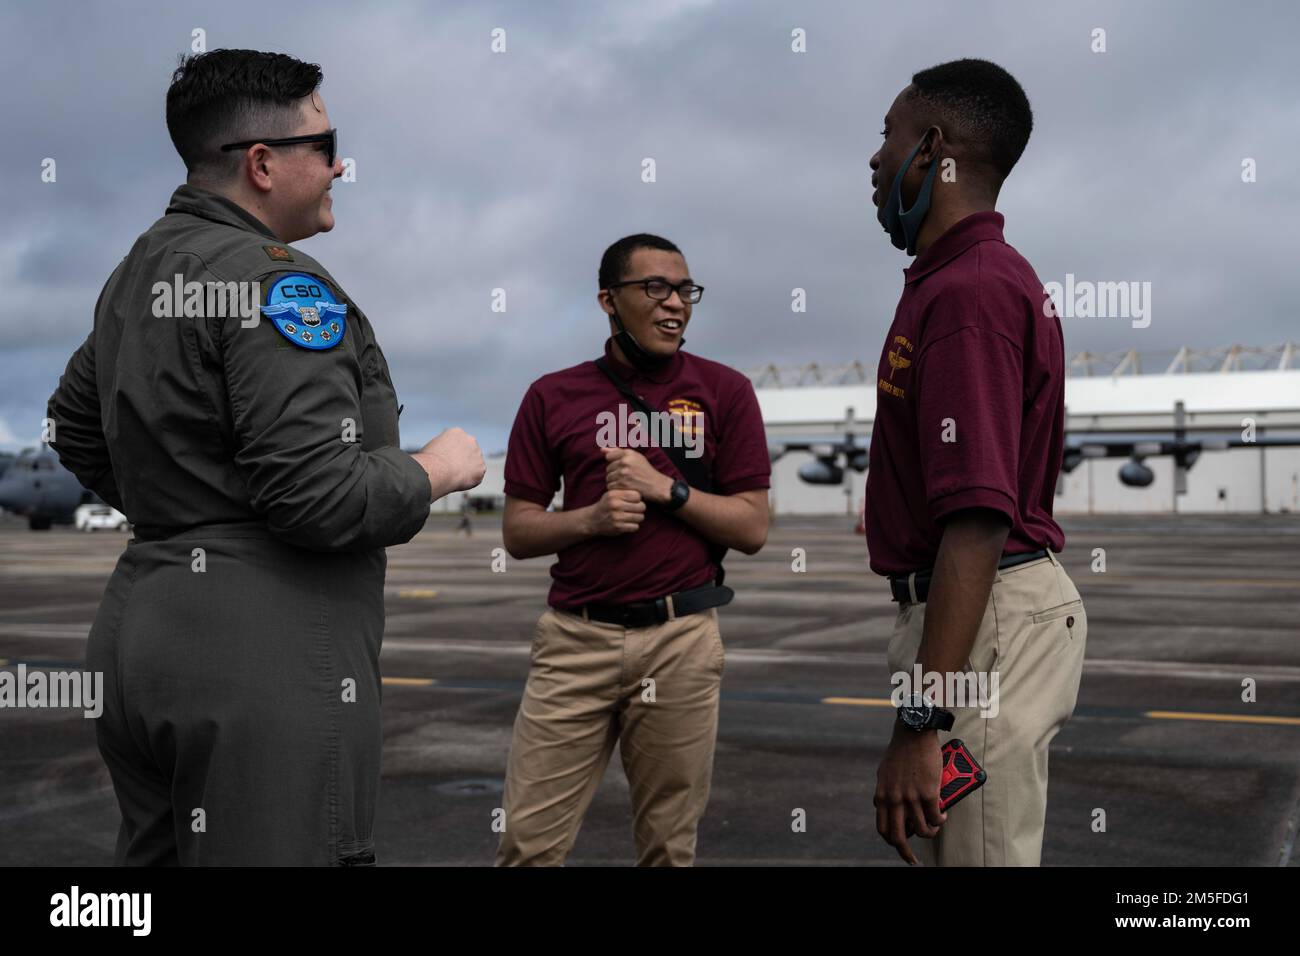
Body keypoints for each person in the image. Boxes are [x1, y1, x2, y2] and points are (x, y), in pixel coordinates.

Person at [45, 49, 484, 865]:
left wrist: (187, 506)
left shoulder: (139, 271)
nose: (340, 166)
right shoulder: (279, 283)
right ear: (261, 164)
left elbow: (71, 424)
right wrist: (437, 470)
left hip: (141, 632)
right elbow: (321, 497)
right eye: (326, 146)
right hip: (263, 653)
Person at [865, 59, 1086, 866]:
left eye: (888, 135)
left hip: (983, 628)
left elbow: (977, 520)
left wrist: (922, 720)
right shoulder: (953, 281)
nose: (875, 158)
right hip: (968, 627)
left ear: (932, 150)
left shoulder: (972, 292)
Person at [495, 233, 771, 866]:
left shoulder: (726, 391)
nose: (675, 303)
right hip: (575, 641)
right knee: (527, 844)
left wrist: (667, 490)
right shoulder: (551, 395)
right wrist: (590, 520)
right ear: (608, 301)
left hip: (680, 641)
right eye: (655, 288)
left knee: (669, 850)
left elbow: (752, 527)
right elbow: (518, 531)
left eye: (685, 290)